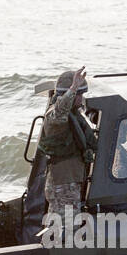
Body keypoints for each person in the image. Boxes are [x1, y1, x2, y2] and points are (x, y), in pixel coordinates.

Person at [37, 66, 93, 223]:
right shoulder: (55, 117)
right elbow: (60, 111)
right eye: (79, 95)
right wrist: (73, 88)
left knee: (62, 228)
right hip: (63, 186)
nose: (81, 98)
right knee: (67, 231)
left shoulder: (74, 117)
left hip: (68, 183)